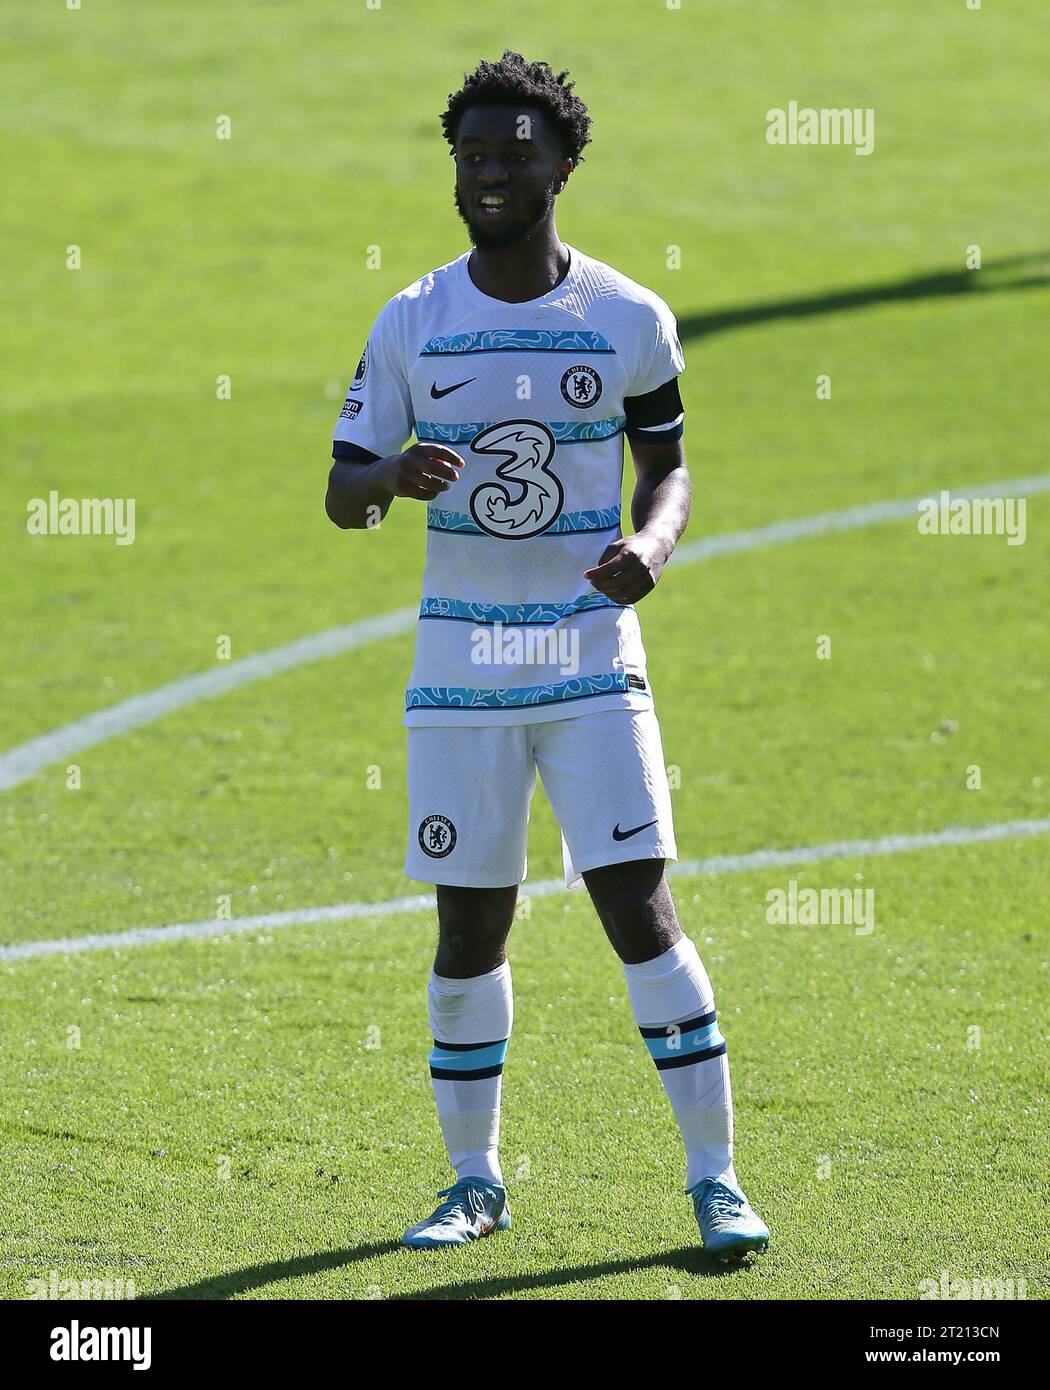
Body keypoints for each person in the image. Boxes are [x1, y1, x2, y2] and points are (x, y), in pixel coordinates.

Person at [325, 50, 768, 1259]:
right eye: (472, 152)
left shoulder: (627, 315)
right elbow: (338, 489)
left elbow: (667, 464)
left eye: (516, 150)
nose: (490, 171)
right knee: (470, 925)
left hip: (587, 656)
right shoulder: (414, 318)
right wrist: (389, 479)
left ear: (564, 164)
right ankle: (473, 1182)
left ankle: (716, 1180)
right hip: (459, 673)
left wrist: (655, 543)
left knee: (637, 902)